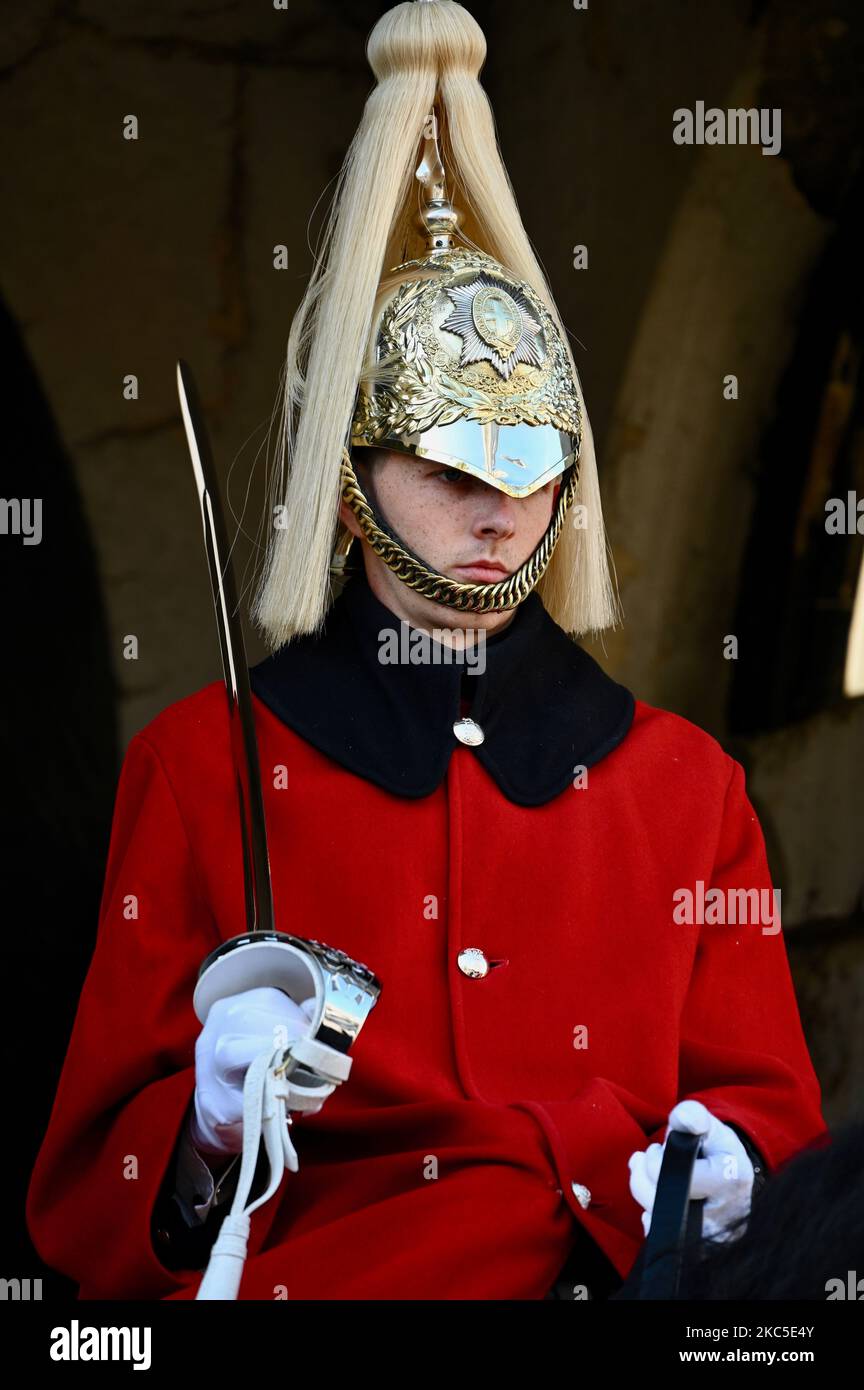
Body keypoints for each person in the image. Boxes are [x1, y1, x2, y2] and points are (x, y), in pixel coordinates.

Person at [26, 0, 827, 1302]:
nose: (495, 503)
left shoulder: (689, 793)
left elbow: (770, 1111)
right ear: (350, 488)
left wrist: (736, 1160)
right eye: (448, 461)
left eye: (527, 461)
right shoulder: (197, 769)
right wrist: (207, 1127)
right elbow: (88, 1216)